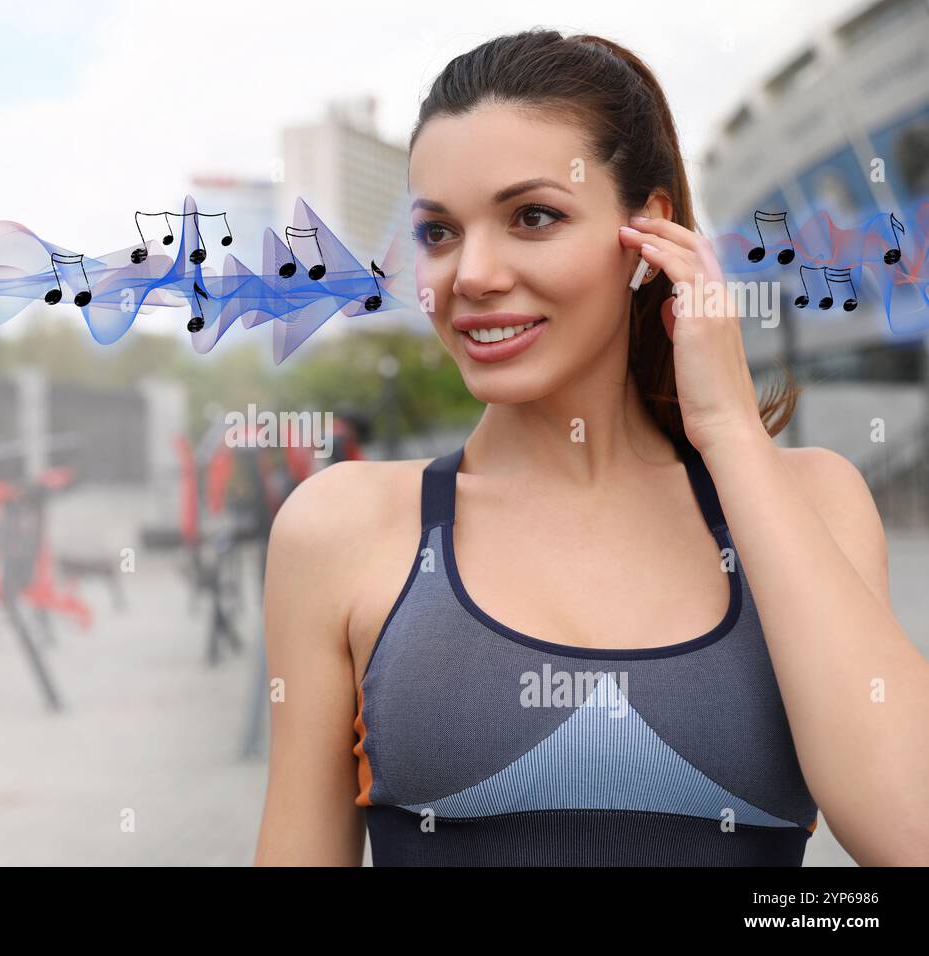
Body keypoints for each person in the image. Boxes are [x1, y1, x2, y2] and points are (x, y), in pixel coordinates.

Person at [253, 29, 929, 866]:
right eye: (438, 233)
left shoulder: (812, 501)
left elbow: (910, 833)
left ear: (649, 236)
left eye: (533, 216)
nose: (473, 274)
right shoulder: (341, 526)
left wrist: (726, 430)